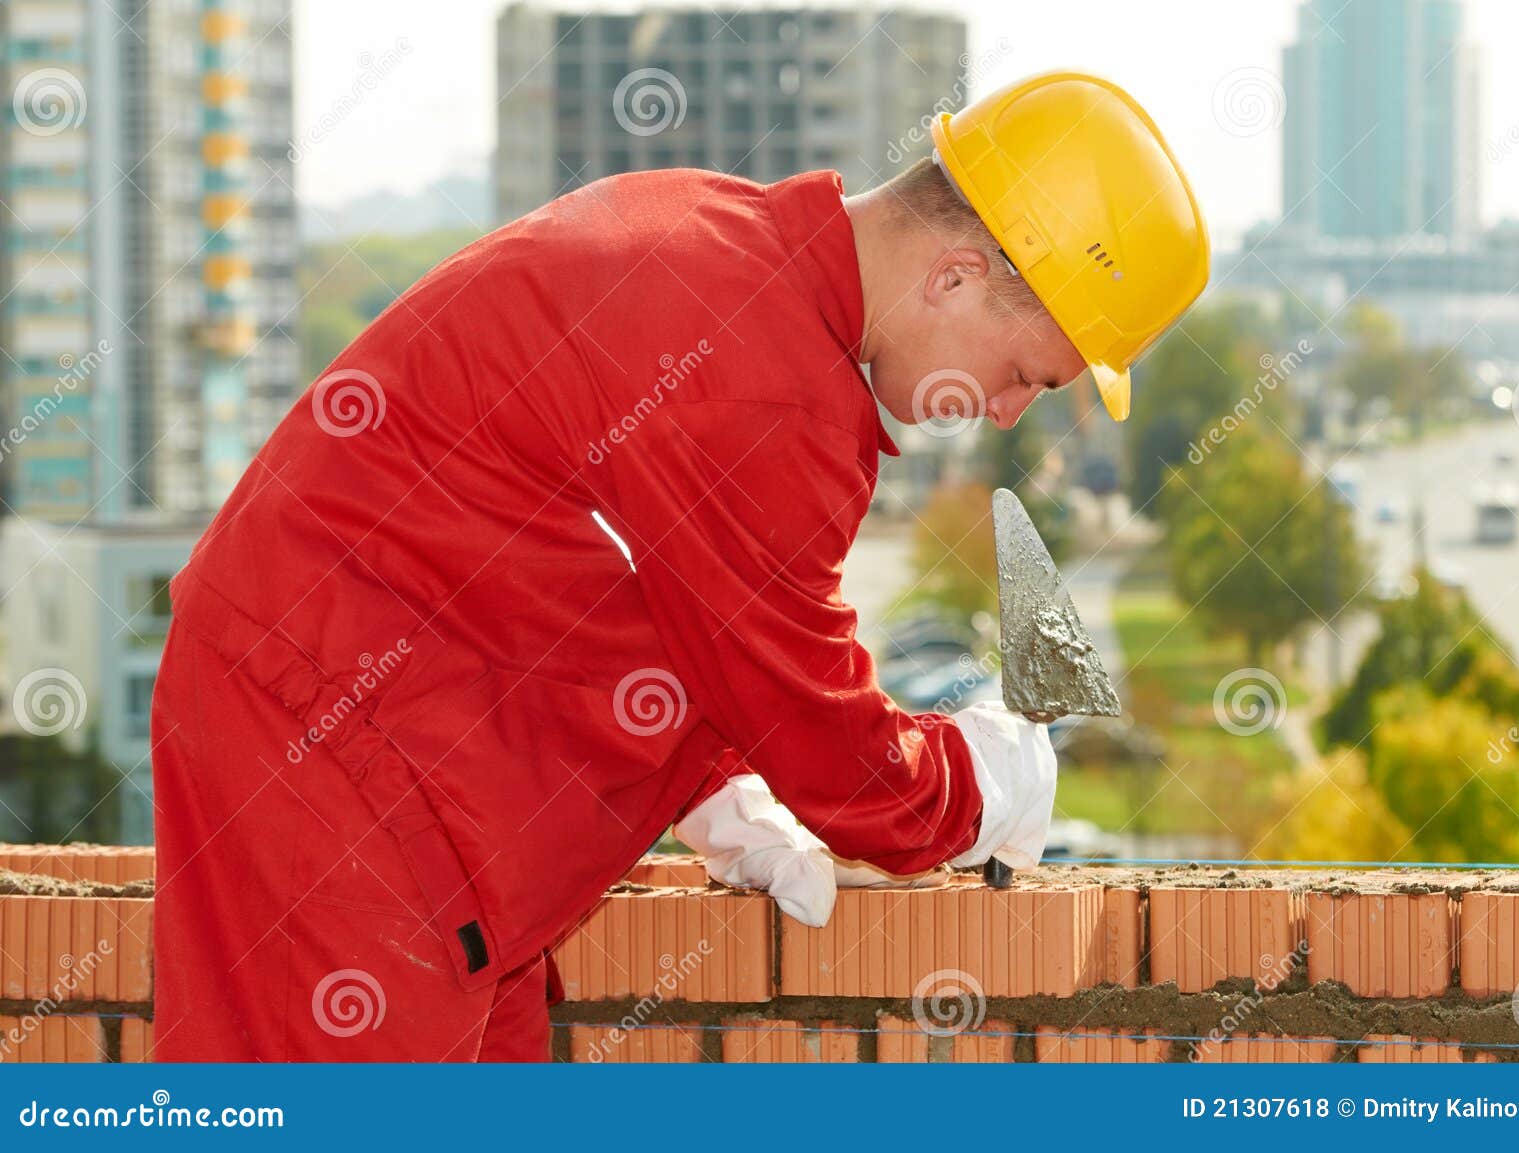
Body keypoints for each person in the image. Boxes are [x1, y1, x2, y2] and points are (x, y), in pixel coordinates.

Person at [151, 70, 1208, 1060]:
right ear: (956, 274)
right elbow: (839, 763)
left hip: (363, 725)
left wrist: (709, 780)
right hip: (330, 749)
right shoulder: (767, 390)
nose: (1011, 408)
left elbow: (601, 567)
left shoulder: (720, 239)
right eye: (1025, 372)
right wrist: (979, 783)